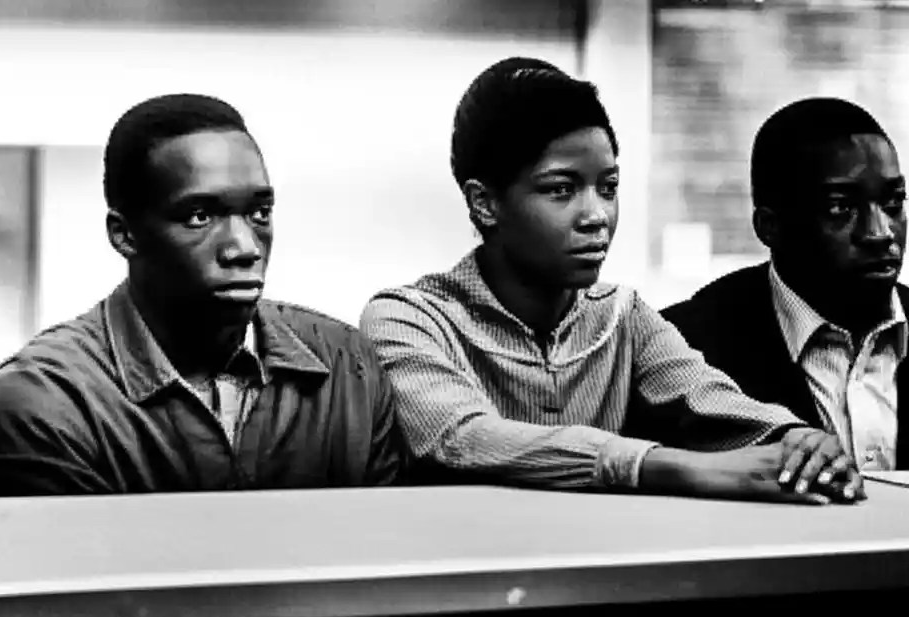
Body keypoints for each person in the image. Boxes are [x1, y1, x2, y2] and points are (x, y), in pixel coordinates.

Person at [360, 58, 863, 505]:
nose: (596, 216)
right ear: (484, 203)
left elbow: (710, 400)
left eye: (608, 187)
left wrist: (799, 440)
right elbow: (463, 440)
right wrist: (671, 468)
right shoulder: (409, 319)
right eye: (561, 190)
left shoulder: (621, 314)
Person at [0, 93, 405, 494]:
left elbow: (390, 544)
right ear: (124, 235)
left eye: (259, 213)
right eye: (199, 216)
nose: (245, 248)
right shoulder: (50, 395)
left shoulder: (348, 367)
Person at [663, 98, 909, 472]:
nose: (880, 232)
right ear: (770, 226)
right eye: (841, 207)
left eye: (893, 203)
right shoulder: (687, 350)